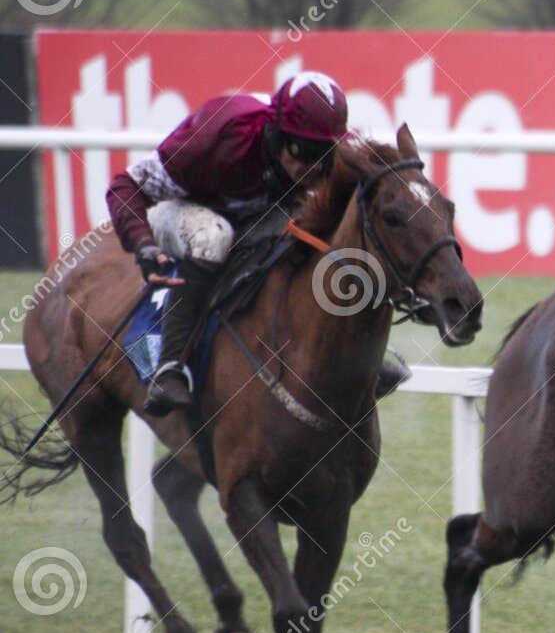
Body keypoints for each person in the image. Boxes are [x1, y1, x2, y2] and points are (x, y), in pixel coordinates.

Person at [106, 71, 407, 416]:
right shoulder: (218, 137)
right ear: (275, 132)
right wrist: (143, 244)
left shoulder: (321, 158)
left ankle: (358, 358)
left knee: (318, 229)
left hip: (257, 212)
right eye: (299, 149)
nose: (309, 166)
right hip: (180, 210)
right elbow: (125, 187)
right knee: (214, 237)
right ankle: (170, 366)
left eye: (321, 153)